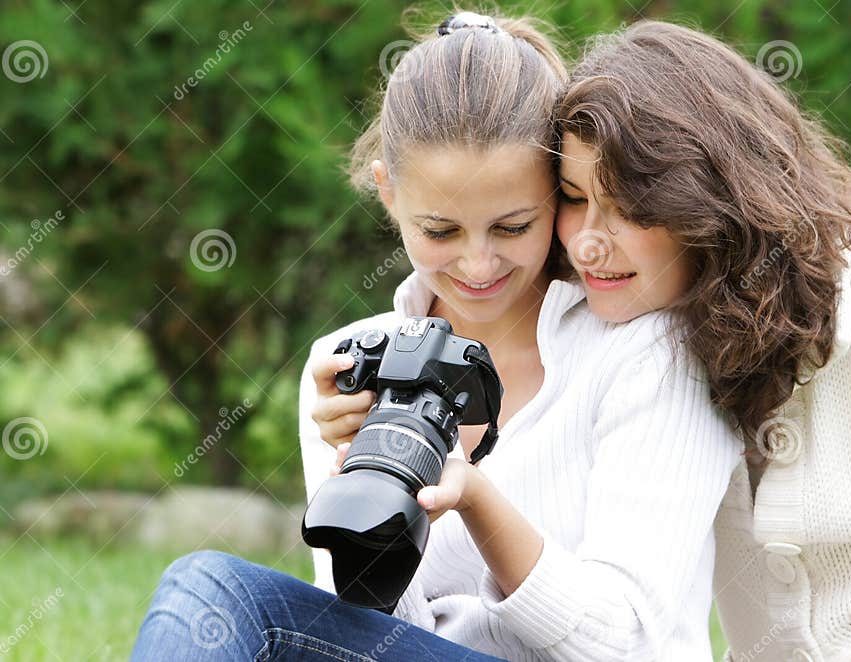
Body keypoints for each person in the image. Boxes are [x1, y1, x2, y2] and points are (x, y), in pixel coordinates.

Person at [131, 11, 741, 662]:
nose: (478, 266)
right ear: (390, 196)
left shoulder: (646, 351)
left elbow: (628, 645)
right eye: (441, 231)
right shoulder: (352, 366)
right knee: (208, 590)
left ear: (557, 192)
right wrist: (365, 478)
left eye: (512, 227)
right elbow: (374, 632)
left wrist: (475, 498)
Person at [553, 19, 851, 662]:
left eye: (628, 207)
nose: (587, 241)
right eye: (571, 197)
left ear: (713, 200)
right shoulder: (618, 329)